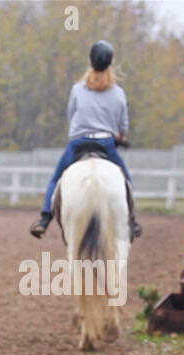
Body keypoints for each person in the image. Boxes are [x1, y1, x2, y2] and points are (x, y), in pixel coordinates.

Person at [31, 40, 141, 240]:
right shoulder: (118, 93)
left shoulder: (77, 89)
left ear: (91, 61)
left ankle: (44, 219)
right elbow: (123, 125)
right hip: (106, 144)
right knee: (126, 180)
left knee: (56, 180)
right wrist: (120, 138)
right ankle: (132, 222)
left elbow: (71, 115)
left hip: (78, 143)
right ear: (110, 64)